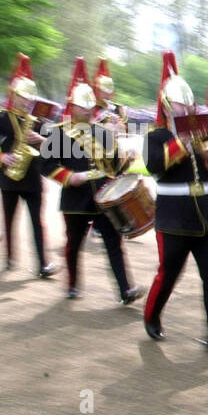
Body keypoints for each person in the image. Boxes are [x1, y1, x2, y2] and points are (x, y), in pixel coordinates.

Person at [141, 51, 208, 357]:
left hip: (207, 217)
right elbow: (154, 165)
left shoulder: (205, 133)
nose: (186, 107)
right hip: (173, 219)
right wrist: (181, 144)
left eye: (189, 102)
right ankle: (152, 313)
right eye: (180, 104)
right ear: (169, 106)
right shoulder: (156, 136)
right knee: (168, 274)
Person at [41, 57, 141, 303]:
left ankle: (125, 290)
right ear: (72, 106)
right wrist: (68, 177)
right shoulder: (58, 133)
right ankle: (73, 285)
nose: (86, 111)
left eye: (89, 107)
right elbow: (45, 165)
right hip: (75, 198)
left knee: (113, 244)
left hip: (103, 198)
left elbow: (113, 166)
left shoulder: (102, 132)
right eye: (81, 107)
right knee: (74, 244)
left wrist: (126, 158)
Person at [0, 53, 54, 277]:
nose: (27, 102)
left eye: (30, 98)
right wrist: (1, 158)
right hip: (9, 177)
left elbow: (52, 150)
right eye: (23, 97)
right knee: (9, 221)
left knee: (37, 223)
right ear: (14, 95)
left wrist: (41, 140)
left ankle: (42, 264)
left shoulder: (40, 121)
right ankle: (10, 258)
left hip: (33, 177)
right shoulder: (1, 118)